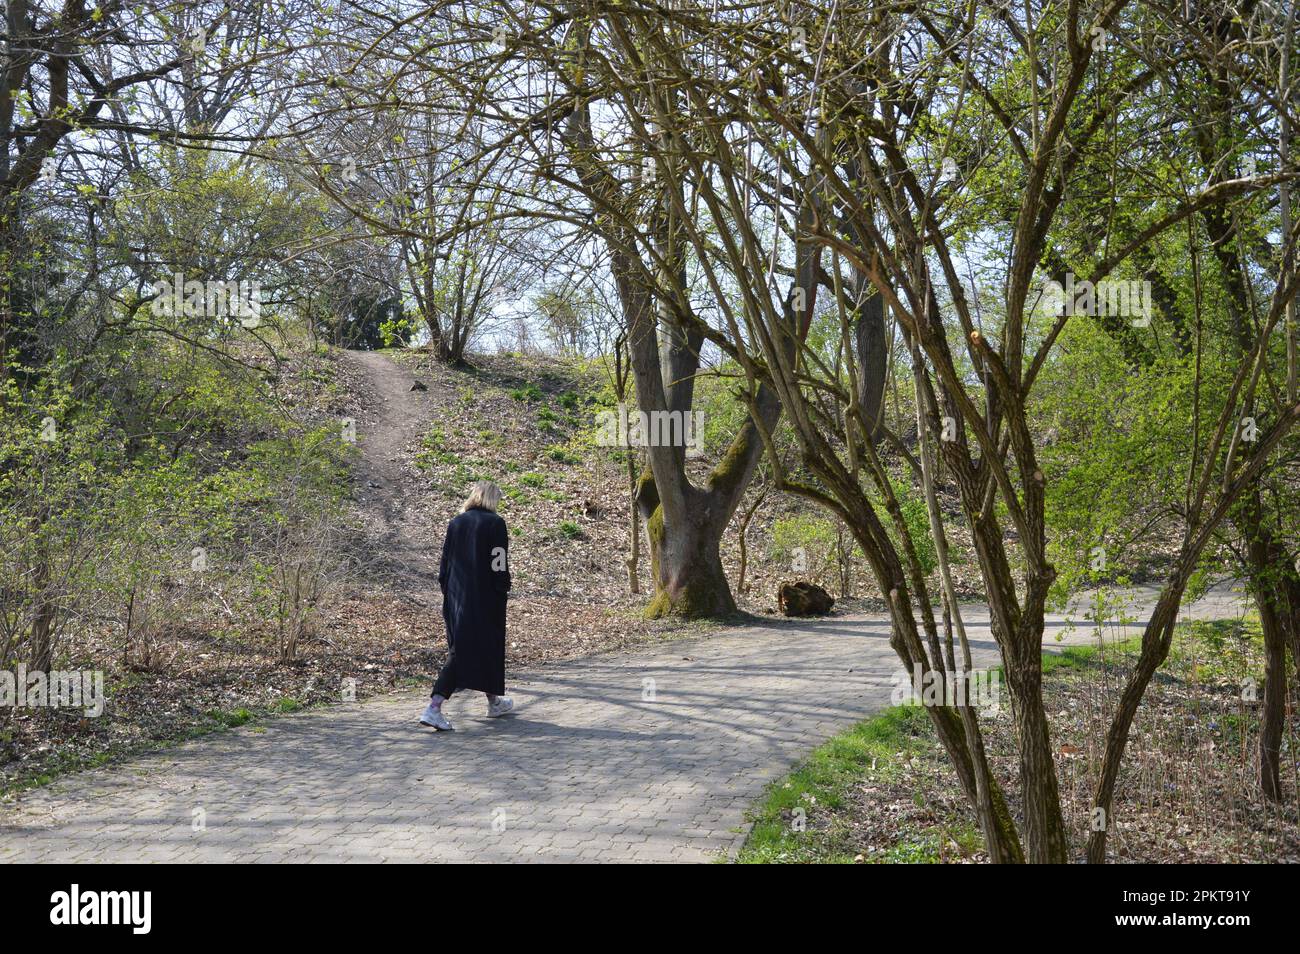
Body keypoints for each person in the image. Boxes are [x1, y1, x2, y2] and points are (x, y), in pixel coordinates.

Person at [419, 481, 515, 731]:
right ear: (492, 499)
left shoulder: (456, 523)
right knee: (464, 652)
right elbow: (498, 563)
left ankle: (494, 701)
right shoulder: (495, 523)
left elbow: (444, 565)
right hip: (484, 598)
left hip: (455, 597)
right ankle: (434, 706)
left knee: (479, 648)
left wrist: (449, 594)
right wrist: (502, 588)